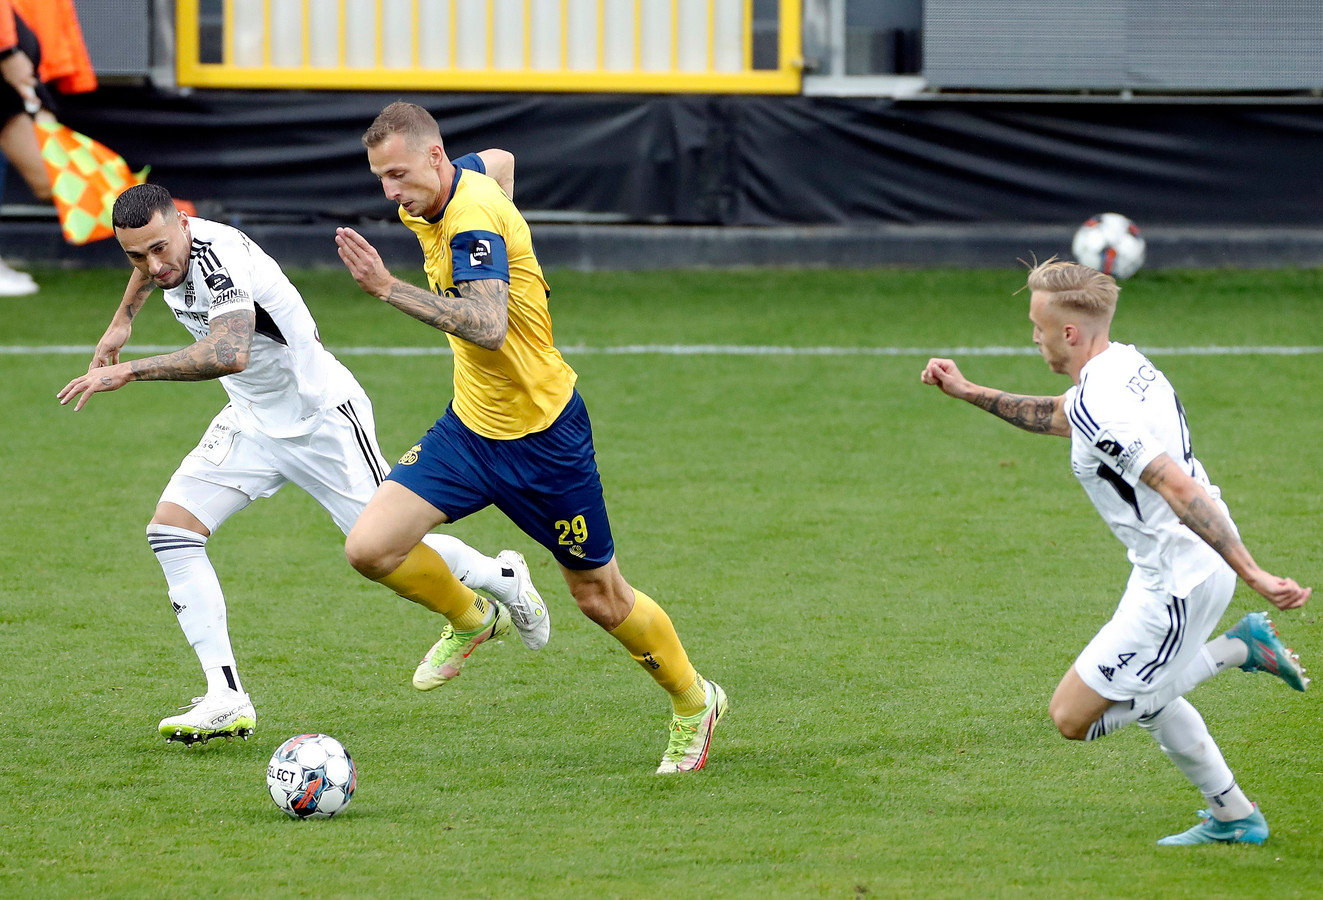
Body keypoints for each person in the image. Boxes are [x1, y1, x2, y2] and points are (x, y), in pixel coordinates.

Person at [57, 181, 549, 746]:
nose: (152, 262)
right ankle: (225, 698)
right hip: (250, 421)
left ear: (184, 226)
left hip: (322, 422)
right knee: (171, 532)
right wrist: (123, 321)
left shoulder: (219, 260)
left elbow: (229, 352)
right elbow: (152, 267)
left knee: (389, 548)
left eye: (160, 247)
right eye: (135, 254)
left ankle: (502, 578)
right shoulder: (163, 251)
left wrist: (129, 369)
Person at [334, 101, 726, 774]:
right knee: (370, 548)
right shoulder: (444, 187)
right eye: (379, 177)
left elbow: (487, 327)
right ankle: (472, 616)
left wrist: (385, 288)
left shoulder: (470, 220)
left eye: (396, 174)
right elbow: (500, 162)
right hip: (469, 430)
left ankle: (694, 702)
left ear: (432, 158)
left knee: (599, 597)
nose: (388, 192)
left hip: (545, 440)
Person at [921, 258, 1310, 844]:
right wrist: (968, 390)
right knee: (1143, 692)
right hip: (1164, 570)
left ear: (1069, 332)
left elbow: (1178, 489)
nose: (1034, 336)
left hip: (1181, 582)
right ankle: (1234, 816)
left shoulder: (1098, 400)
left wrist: (1253, 572)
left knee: (1074, 718)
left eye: (1037, 326)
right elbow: (1062, 416)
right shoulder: (1125, 365)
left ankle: (1238, 648)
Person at [0, 0, 96, 295]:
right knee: (51, 173)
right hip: (9, 55)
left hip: (16, 57)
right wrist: (8, 51)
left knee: (52, 173)